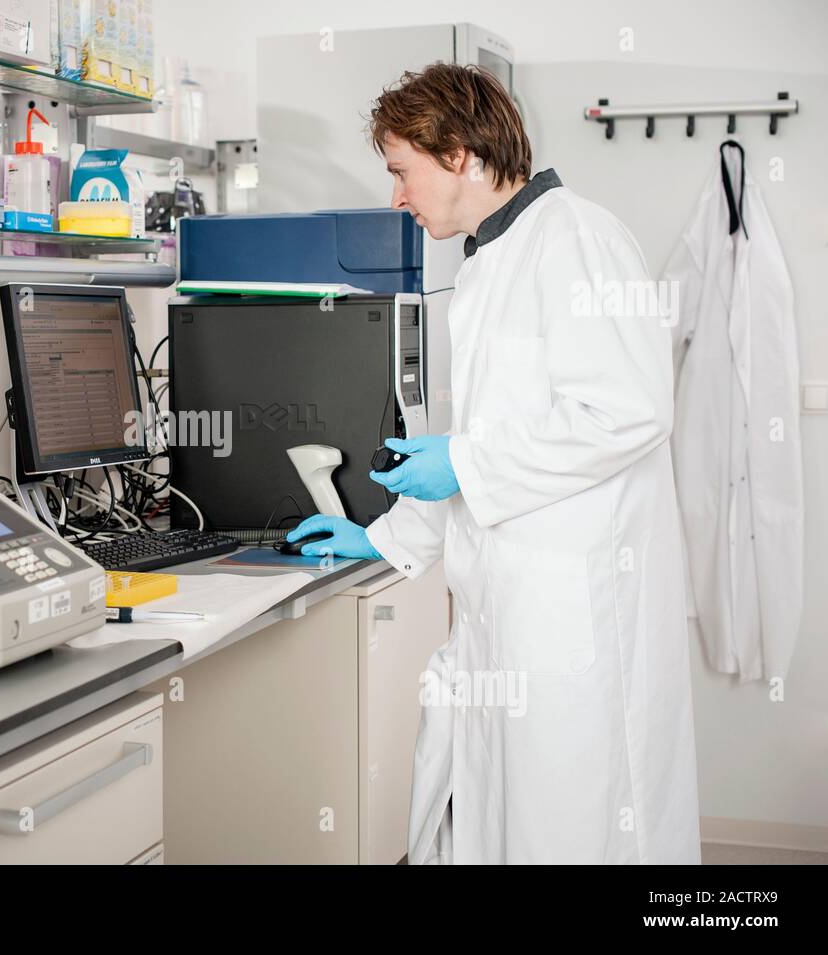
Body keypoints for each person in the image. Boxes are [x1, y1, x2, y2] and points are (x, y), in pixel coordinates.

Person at [286, 64, 700, 864]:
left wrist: (466, 461)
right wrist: (381, 535)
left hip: (569, 624)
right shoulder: (487, 261)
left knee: (572, 829)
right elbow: (485, 446)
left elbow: (632, 409)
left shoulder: (579, 238)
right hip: (505, 617)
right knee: (497, 821)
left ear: (463, 156)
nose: (397, 198)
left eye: (403, 172)